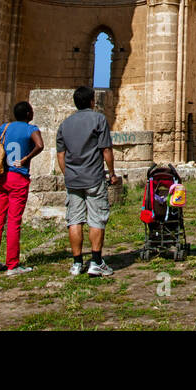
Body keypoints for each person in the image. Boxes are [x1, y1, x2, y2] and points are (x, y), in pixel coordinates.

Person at [57, 86, 118, 277]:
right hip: (93, 178)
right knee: (96, 218)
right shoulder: (98, 119)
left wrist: (68, 174)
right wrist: (112, 173)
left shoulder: (65, 124)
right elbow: (106, 150)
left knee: (74, 220)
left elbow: (61, 155)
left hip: (73, 180)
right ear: (92, 102)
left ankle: (76, 263)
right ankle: (96, 261)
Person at [0, 101, 43, 275]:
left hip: (1, 178)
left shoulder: (5, 128)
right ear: (29, 114)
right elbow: (40, 145)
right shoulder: (31, 129)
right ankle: (13, 265)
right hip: (18, 178)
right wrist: (25, 159)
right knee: (14, 221)